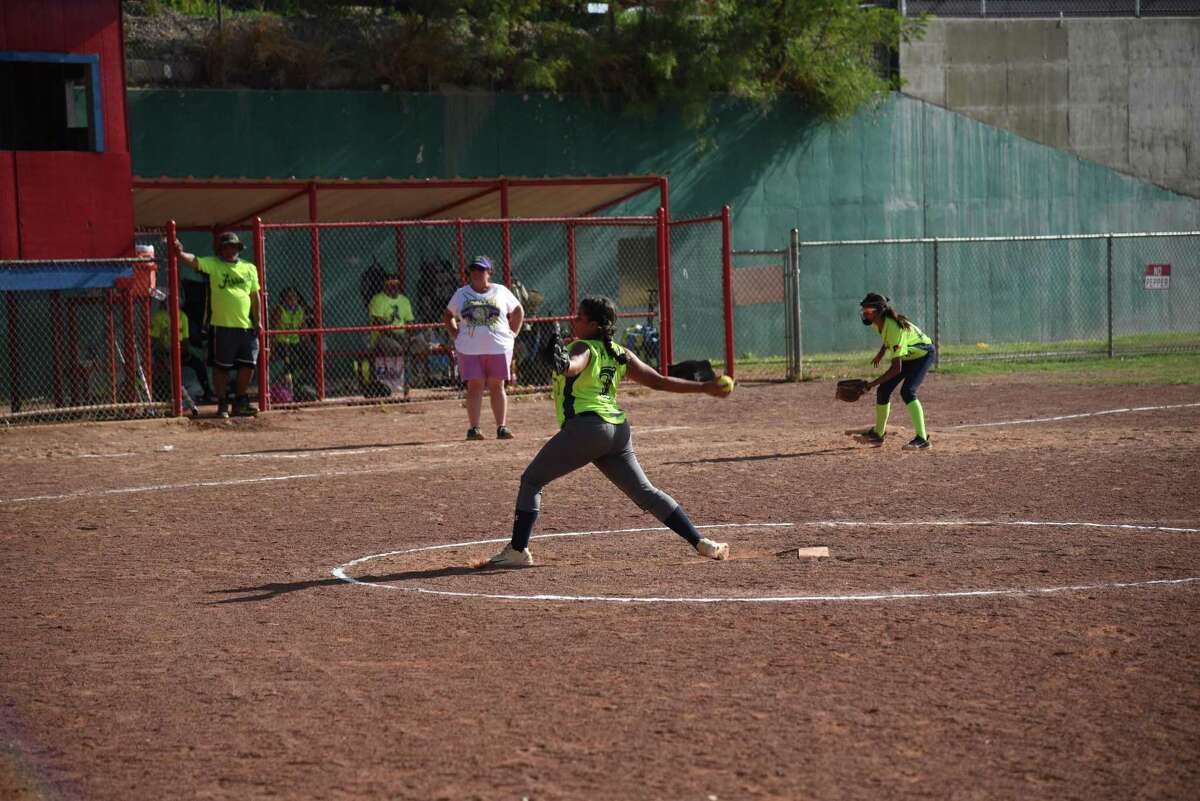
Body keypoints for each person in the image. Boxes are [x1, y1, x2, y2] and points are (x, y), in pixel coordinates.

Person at [480, 295, 732, 568]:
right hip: (617, 430)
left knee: (532, 481)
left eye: (580, 317)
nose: (574, 320)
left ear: (594, 324)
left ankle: (518, 550)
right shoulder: (621, 352)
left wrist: (563, 364)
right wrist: (705, 387)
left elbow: (574, 365)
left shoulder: (583, 347)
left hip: (588, 429)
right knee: (646, 492)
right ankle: (701, 542)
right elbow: (658, 382)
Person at [173, 231, 262, 418]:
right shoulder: (214, 264)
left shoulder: (249, 268)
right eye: (226, 246)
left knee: (249, 364)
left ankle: (240, 401)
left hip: (246, 326)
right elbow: (195, 261)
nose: (230, 250)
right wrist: (180, 253)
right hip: (222, 326)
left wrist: (258, 321)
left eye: (233, 246)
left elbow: (255, 296)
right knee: (222, 367)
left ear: (238, 248)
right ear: (221, 250)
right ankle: (222, 402)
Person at [443, 256, 524, 440]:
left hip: (499, 347)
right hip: (469, 349)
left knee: (497, 385)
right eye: (473, 270)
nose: (477, 274)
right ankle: (474, 428)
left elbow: (518, 310)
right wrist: (455, 334)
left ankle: (501, 427)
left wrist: (514, 332)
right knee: (474, 386)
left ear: (490, 273)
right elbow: (448, 315)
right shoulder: (461, 293)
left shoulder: (500, 291)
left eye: (482, 270)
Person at [852, 292, 934, 450]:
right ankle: (878, 435)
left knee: (908, 392)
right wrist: (881, 352)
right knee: (883, 391)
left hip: (923, 355)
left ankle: (923, 439)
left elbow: (896, 368)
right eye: (864, 311)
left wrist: (870, 385)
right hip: (908, 356)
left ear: (877, 312)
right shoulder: (879, 323)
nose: (865, 314)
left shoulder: (893, 327)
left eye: (868, 312)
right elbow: (887, 339)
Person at [149, 289, 216, 411]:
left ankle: (208, 392)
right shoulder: (159, 316)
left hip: (179, 351)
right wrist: (163, 354)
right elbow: (155, 340)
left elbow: (185, 339)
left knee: (198, 364)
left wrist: (182, 351)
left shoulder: (182, 316)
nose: (172, 303)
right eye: (168, 301)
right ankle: (161, 396)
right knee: (159, 370)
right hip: (163, 352)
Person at [367, 272, 416, 399]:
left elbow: (410, 322)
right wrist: (399, 338)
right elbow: (380, 325)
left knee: (421, 345)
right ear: (384, 285)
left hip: (402, 336)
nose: (393, 287)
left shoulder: (404, 300)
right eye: (390, 284)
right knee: (398, 348)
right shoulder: (378, 299)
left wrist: (409, 336)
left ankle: (410, 381)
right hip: (382, 338)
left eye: (395, 284)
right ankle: (399, 385)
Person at [270, 286, 314, 402]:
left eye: (294, 296)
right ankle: (288, 387)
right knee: (292, 359)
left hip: (295, 343)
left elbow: (303, 329)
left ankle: (300, 384)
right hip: (282, 343)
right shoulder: (279, 310)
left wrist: (310, 345)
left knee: (310, 355)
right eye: (289, 297)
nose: (293, 299)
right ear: (283, 299)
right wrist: (272, 349)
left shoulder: (299, 310)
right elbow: (273, 333)